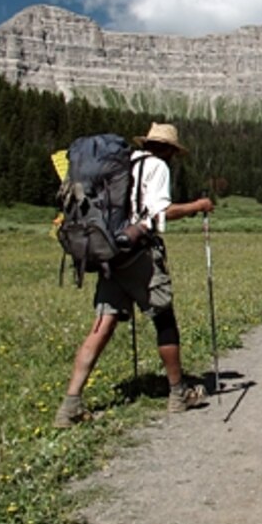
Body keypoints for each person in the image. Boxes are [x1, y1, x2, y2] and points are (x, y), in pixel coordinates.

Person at [54, 122, 215, 427]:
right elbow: (160, 212)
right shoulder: (157, 167)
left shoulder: (121, 164)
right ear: (167, 149)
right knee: (164, 317)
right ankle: (178, 392)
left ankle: (70, 404)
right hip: (139, 254)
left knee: (102, 325)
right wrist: (198, 205)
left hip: (110, 253)